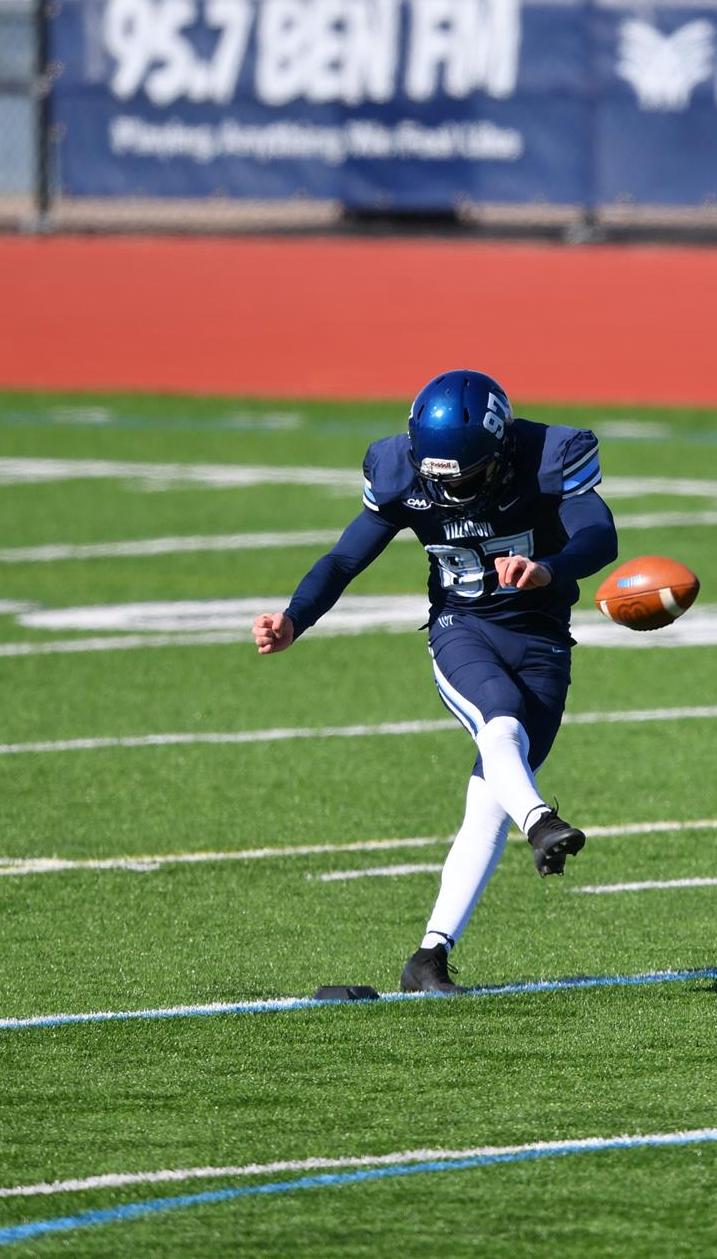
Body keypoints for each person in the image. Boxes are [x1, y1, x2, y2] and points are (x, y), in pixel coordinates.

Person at [254, 370, 619, 992]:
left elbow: (600, 536)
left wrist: (548, 570)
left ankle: (429, 957)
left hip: (543, 640)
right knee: (498, 721)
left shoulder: (548, 455)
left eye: (464, 475)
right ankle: (541, 821)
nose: (446, 488)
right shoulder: (401, 471)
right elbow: (345, 557)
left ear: (501, 454)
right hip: (462, 628)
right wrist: (295, 617)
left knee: (487, 800)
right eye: (435, 474)